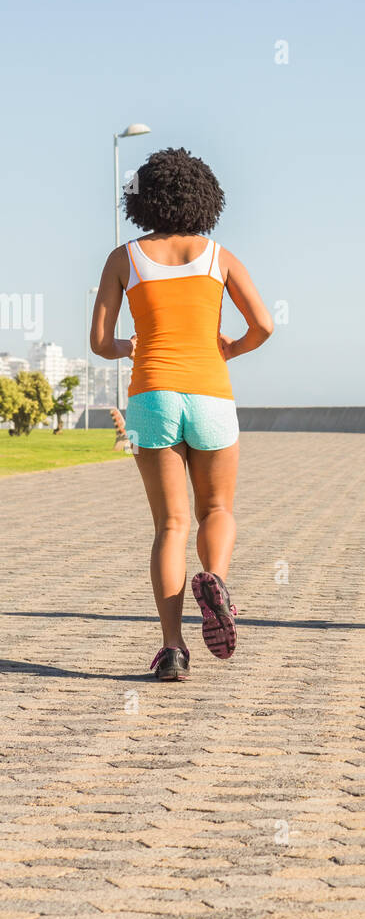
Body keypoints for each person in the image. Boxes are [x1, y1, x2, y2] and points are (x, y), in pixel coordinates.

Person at [90, 147, 273, 679]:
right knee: (215, 511)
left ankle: (173, 648)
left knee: (169, 525)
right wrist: (230, 349)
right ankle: (214, 580)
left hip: (152, 395)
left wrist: (134, 346)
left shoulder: (124, 258)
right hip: (211, 392)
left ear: (142, 200)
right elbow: (263, 325)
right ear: (205, 198)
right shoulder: (221, 256)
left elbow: (101, 342)